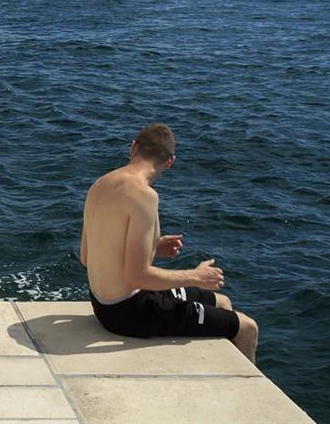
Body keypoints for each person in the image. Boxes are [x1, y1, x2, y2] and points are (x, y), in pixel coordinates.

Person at [80, 123, 259, 362]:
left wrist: (153, 248)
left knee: (223, 302)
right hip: (131, 312)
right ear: (170, 161)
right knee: (247, 328)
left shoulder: (100, 184)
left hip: (103, 305)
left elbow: (86, 257)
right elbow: (137, 277)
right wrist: (197, 277)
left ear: (133, 147)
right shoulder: (145, 196)